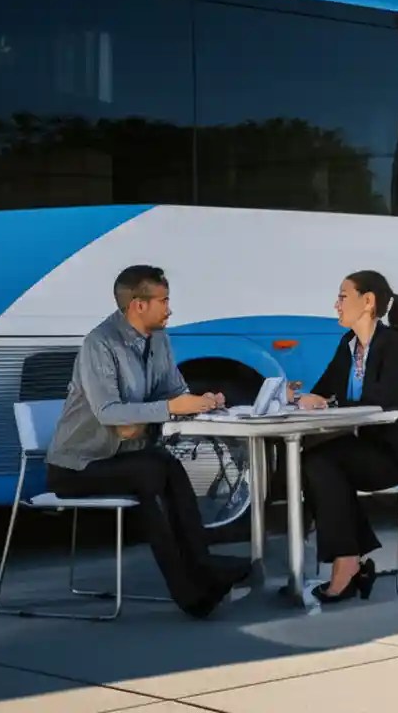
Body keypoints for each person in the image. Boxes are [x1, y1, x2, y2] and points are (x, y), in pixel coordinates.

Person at [45, 265, 250, 619]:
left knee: (160, 467)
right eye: (164, 301)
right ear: (138, 305)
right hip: (77, 466)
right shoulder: (100, 344)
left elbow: (172, 389)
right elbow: (109, 412)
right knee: (154, 470)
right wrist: (169, 408)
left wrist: (202, 400)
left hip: (126, 457)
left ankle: (198, 574)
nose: (170, 309)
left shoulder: (159, 339)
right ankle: (194, 584)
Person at [291, 269, 398, 604]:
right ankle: (349, 561)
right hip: (371, 449)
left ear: (368, 301)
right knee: (314, 461)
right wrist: (300, 397)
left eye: (343, 296)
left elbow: (382, 401)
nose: (336, 304)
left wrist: (330, 402)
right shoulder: (348, 345)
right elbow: (323, 390)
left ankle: (348, 562)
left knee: (321, 464)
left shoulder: (395, 347)